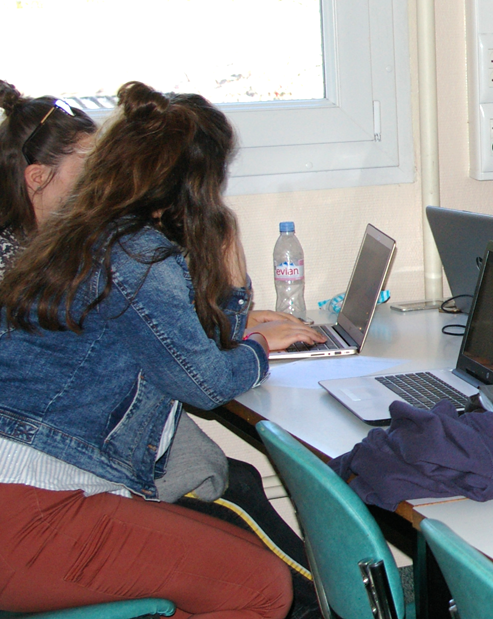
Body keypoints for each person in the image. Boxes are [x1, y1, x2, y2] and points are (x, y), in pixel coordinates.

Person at [0, 82, 326, 618]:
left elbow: (169, 334)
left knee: (243, 554)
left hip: (28, 493)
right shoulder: (134, 253)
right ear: (194, 185)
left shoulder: (85, 233)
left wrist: (239, 317)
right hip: (31, 511)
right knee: (261, 585)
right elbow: (204, 383)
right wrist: (259, 347)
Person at [0, 80, 96, 278]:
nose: (98, 178)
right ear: (38, 177)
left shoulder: (74, 238)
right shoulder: (10, 266)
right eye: (87, 167)